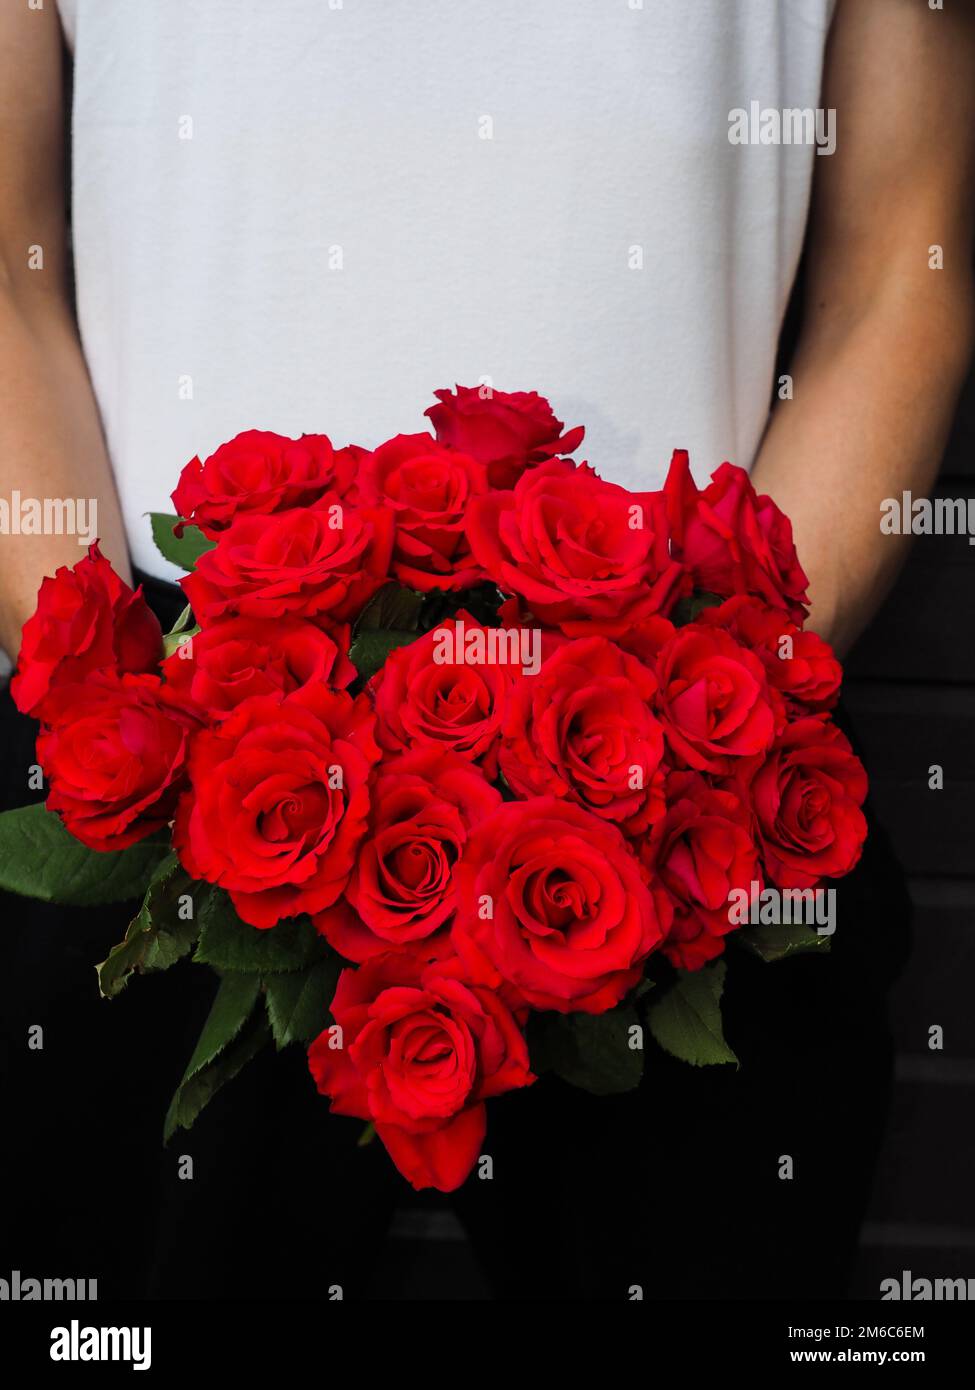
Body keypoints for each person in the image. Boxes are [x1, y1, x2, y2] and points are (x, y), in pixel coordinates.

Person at [0, 0, 971, 1300]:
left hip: (684, 772)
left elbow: (902, 261)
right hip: (183, 748)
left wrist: (736, 691)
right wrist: (118, 706)